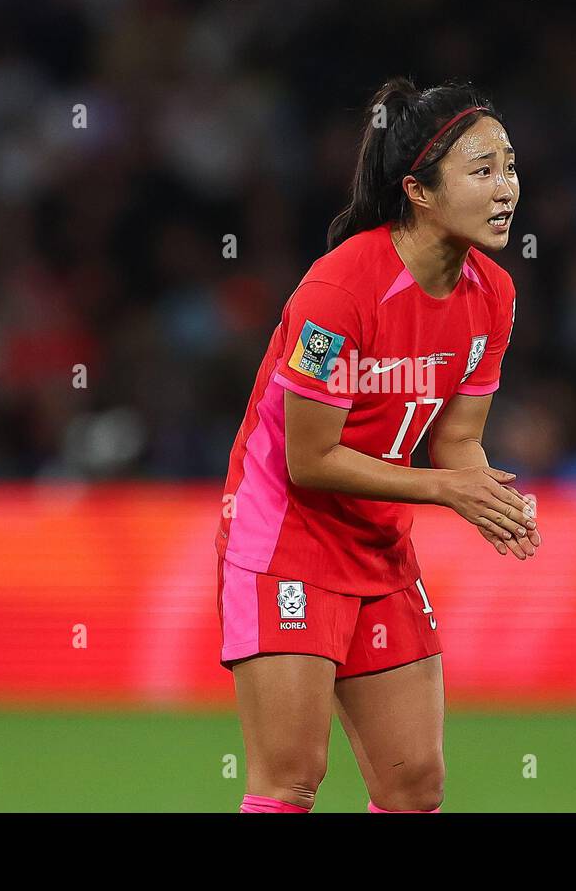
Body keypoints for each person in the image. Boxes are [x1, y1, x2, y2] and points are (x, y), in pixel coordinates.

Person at [215, 77, 541, 813]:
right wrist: (444, 490)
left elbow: (457, 441)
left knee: (414, 785)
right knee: (291, 778)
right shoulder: (339, 294)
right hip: (284, 540)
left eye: (511, 167)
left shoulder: (493, 295)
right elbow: (310, 460)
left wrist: (486, 494)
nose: (506, 189)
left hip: (377, 543)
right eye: (482, 170)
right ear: (420, 192)